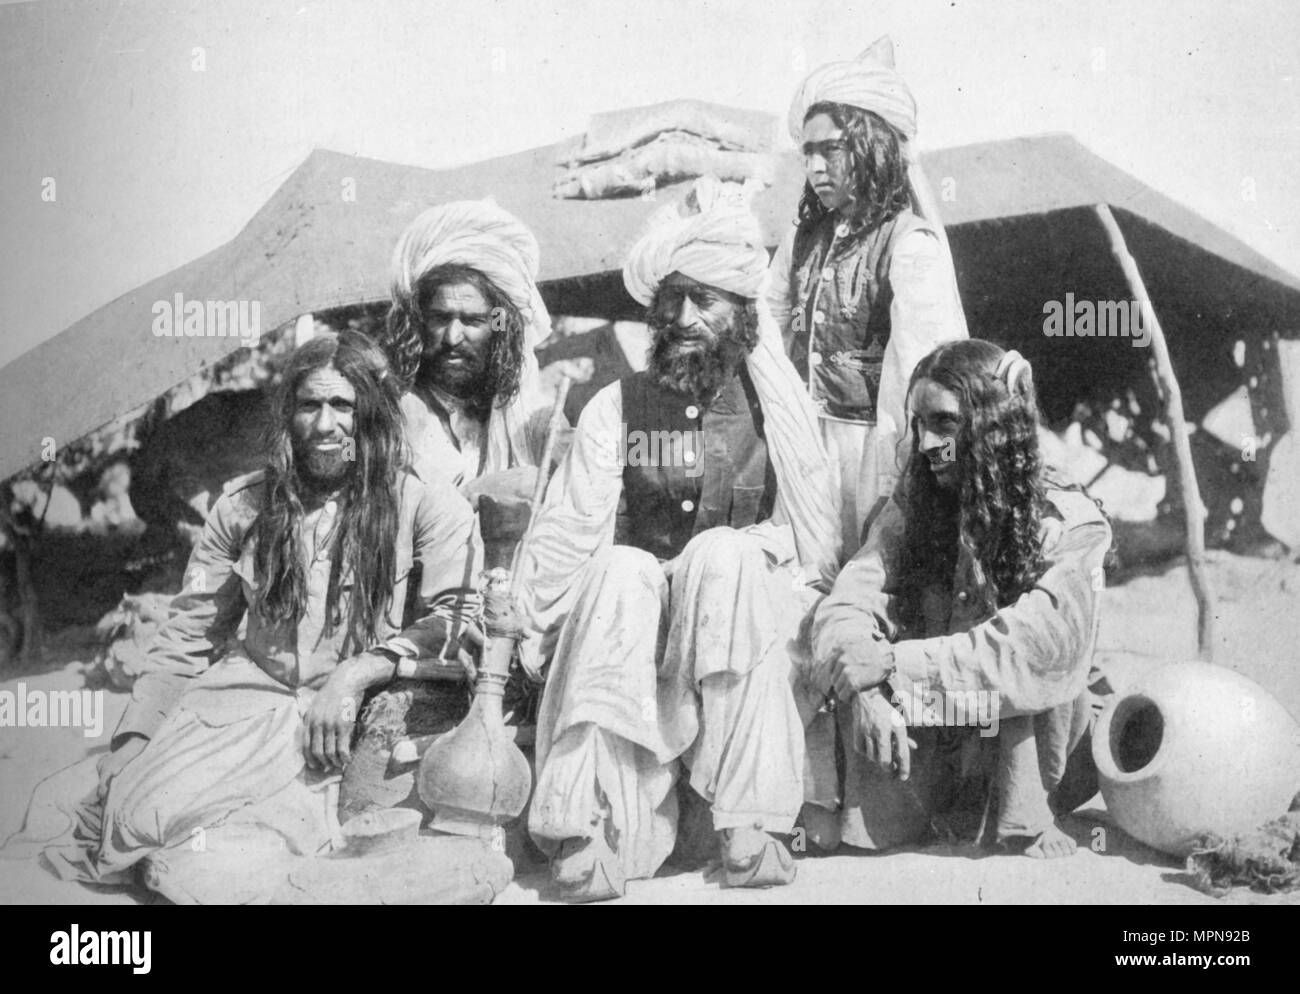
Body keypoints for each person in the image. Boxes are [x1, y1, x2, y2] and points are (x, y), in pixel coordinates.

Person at [39, 331, 479, 902]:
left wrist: (357, 673)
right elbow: (188, 635)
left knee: (280, 856)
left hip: (349, 721)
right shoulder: (242, 504)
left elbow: (458, 621)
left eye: (342, 405)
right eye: (309, 405)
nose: (325, 425)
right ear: (287, 414)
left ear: (370, 412)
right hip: (248, 707)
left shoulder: (426, 503)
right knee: (132, 818)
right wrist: (134, 740)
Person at [511, 177, 842, 901]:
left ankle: (749, 821)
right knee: (624, 566)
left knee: (724, 556)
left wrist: (746, 556)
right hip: (637, 627)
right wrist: (529, 625)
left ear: (741, 312)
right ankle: (588, 826)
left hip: (743, 614)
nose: (687, 317)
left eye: (707, 300)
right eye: (674, 301)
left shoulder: (777, 409)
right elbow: (571, 536)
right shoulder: (614, 407)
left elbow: (811, 537)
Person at [809, 339, 1112, 858]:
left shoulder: (1071, 522)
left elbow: (1030, 650)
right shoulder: (916, 501)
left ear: (993, 426)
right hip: (942, 715)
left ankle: (1025, 816)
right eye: (920, 423)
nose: (927, 444)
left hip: (1032, 725)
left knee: (1014, 672)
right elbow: (846, 603)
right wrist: (865, 692)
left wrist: (885, 665)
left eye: (946, 425)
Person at [768, 36, 968, 551]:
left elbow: (926, 377)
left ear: (872, 147)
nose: (814, 168)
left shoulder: (910, 246)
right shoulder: (801, 241)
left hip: (871, 455)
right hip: (801, 447)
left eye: (830, 150)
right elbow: (764, 326)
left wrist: (897, 471)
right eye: (807, 152)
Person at [382, 198, 567, 491]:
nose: (453, 337)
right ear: (419, 322)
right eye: (440, 318)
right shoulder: (389, 415)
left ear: (498, 328)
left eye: (472, 321)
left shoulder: (532, 419)